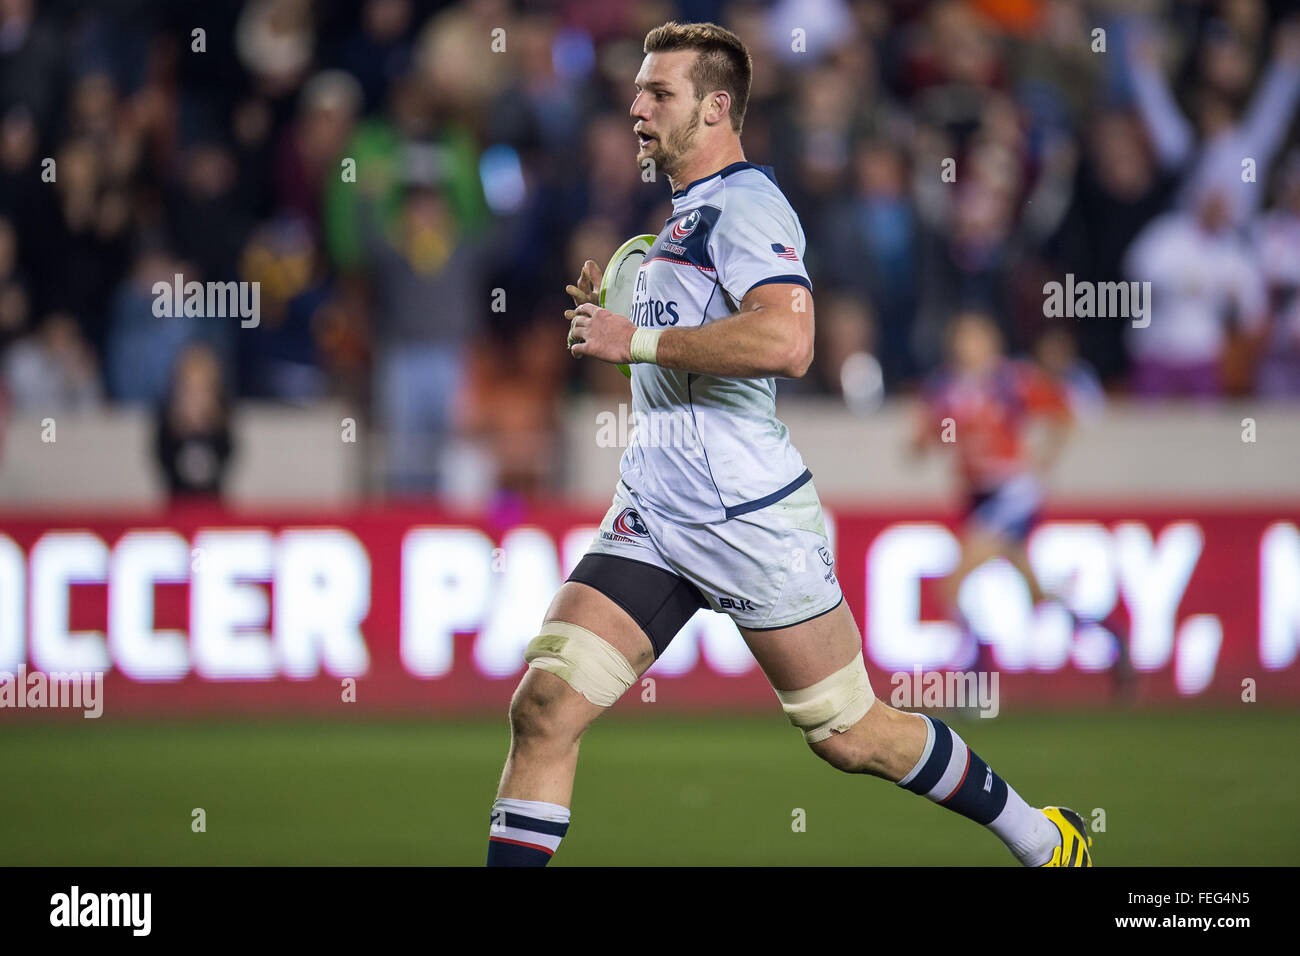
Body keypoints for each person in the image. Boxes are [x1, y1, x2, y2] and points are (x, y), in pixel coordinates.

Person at [485, 21, 1091, 868]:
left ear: (716, 106)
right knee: (544, 706)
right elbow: (689, 349)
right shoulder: (678, 219)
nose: (636, 107)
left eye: (659, 92)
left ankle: (1041, 836)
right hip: (656, 511)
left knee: (851, 734)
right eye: (637, 91)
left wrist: (643, 342)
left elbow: (788, 343)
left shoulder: (747, 206)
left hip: (748, 519)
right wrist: (628, 319)